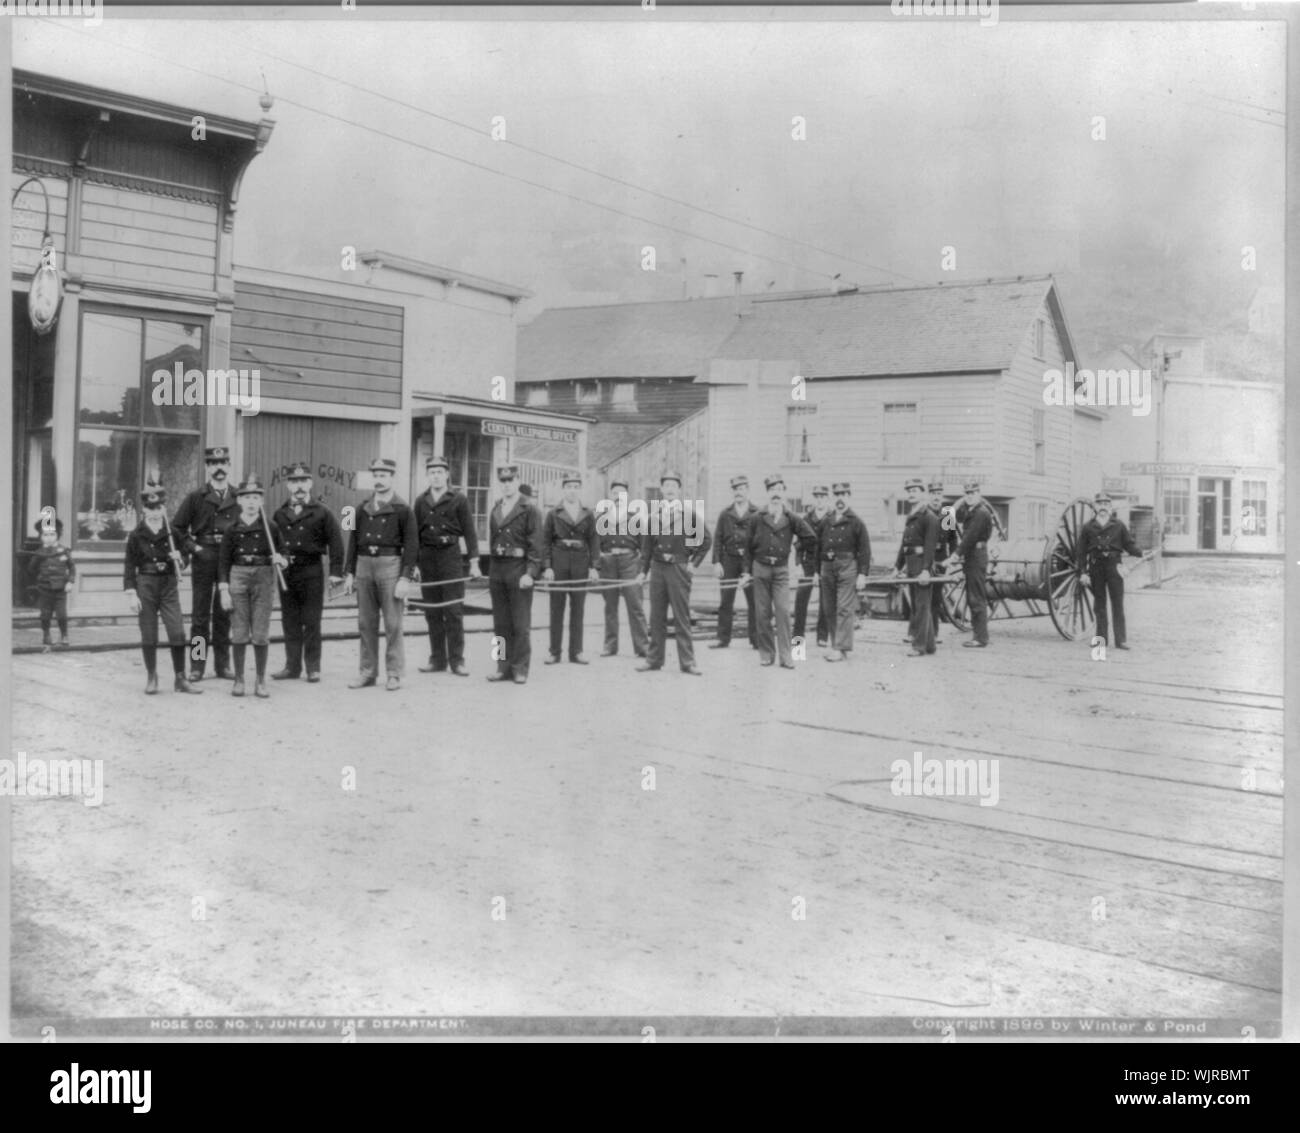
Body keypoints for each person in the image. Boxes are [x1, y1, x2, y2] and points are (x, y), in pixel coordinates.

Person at [342, 458, 418, 691]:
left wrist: (405, 577)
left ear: (392, 478)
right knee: (365, 622)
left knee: (393, 623)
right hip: (364, 565)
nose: (379, 479)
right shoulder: (360, 508)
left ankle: (394, 673)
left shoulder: (403, 509)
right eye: (375, 475)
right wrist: (349, 573)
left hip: (390, 566)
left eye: (384, 475)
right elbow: (352, 541)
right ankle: (367, 672)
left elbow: (412, 546)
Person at [270, 462, 345, 682]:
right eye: (294, 482)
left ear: (310, 483)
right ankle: (291, 667)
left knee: (312, 621)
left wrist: (335, 572)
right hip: (287, 573)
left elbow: (336, 542)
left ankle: (313, 667)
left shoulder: (323, 512)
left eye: (303, 481)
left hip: (312, 570)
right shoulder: (280, 514)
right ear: (288, 486)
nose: (299, 486)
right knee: (289, 620)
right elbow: (272, 544)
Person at [123, 484, 201, 695]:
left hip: (168, 584)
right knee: (149, 634)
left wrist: (182, 560)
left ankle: (181, 678)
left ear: (164, 509)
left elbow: (188, 552)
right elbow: (130, 565)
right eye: (151, 508)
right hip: (146, 584)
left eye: (159, 508)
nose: (155, 512)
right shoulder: (137, 535)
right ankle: (152, 677)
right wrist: (132, 594)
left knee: (177, 631)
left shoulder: (173, 531)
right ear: (144, 510)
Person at [173, 445, 241, 681]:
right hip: (204, 556)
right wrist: (194, 548)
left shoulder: (238, 496)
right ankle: (197, 666)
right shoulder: (196, 497)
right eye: (213, 464)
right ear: (207, 467)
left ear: (229, 466)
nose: (218, 468)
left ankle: (222, 666)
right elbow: (177, 528)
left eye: (223, 463)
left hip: (229, 559)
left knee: (225, 612)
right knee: (200, 616)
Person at [218, 475, 287, 698]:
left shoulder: (272, 527)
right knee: (238, 631)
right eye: (246, 497)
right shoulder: (231, 529)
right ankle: (238, 679)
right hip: (238, 576)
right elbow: (223, 562)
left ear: (261, 501)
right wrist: (223, 589)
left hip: (264, 577)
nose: (250, 501)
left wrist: (281, 559)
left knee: (260, 632)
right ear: (239, 501)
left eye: (255, 497)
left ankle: (260, 680)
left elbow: (284, 553)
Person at [637, 471, 712, 675]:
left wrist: (693, 564)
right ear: (661, 489)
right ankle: (654, 660)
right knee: (656, 617)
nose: (669, 489)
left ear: (679, 490)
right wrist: (643, 572)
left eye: (673, 485)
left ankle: (687, 662)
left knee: (682, 617)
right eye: (666, 485)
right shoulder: (654, 516)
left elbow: (706, 541)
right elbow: (646, 549)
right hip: (658, 569)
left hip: (679, 569)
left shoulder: (689, 515)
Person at [414, 455, 480, 678]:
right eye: (432, 472)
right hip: (427, 558)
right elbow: (415, 535)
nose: (436, 476)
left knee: (453, 611)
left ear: (447, 475)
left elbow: (470, 532)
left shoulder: (459, 499)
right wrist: (413, 564)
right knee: (432, 611)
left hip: (450, 557)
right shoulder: (420, 500)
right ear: (428, 475)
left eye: (439, 472)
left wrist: (474, 562)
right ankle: (437, 659)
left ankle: (457, 661)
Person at [740, 476, 816, 669]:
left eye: (780, 489)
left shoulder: (791, 518)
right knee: (762, 613)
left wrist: (796, 551)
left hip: (781, 570)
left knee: (782, 612)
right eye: (772, 489)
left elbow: (810, 538)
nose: (776, 493)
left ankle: (786, 656)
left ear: (784, 493)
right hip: (760, 569)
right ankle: (766, 654)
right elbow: (747, 547)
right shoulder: (757, 517)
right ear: (767, 493)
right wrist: (746, 572)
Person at [486, 465, 543, 685]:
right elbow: (493, 541)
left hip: (519, 569)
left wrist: (531, 572)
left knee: (520, 623)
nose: (506, 484)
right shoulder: (496, 507)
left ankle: (520, 668)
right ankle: (502, 666)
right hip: (498, 569)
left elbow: (536, 546)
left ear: (518, 480)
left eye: (510, 480)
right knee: (500, 624)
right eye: (503, 480)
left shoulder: (529, 508)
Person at [542, 472, 600, 665]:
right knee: (556, 608)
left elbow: (594, 540)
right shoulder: (553, 513)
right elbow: (545, 542)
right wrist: (547, 567)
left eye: (576, 487)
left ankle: (576, 652)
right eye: (569, 487)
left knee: (578, 609)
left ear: (579, 489)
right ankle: (554, 652)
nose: (572, 491)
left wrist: (594, 567)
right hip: (559, 561)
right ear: (563, 489)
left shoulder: (588, 513)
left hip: (580, 563)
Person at [1077, 492, 1144, 651]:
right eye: (1100, 504)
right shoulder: (1087, 527)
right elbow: (1081, 552)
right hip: (1096, 567)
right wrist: (1083, 572)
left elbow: (1129, 545)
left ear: (1111, 507)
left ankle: (1121, 640)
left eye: (1106, 504)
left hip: (1115, 567)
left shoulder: (1119, 525)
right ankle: (1101, 640)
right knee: (1099, 605)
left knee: (1117, 604)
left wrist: (1141, 553)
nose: (1103, 507)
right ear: (1095, 507)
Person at [818, 482, 871, 662]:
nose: (840, 498)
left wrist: (862, 574)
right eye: (837, 494)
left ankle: (840, 648)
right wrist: (816, 570)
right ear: (833, 498)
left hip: (848, 566)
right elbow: (818, 546)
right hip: (827, 566)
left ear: (849, 496)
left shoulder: (857, 522)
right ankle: (836, 645)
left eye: (844, 494)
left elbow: (864, 550)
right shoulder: (826, 521)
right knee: (829, 608)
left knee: (844, 608)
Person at [597, 478, 649, 658]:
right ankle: (610, 646)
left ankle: (642, 647)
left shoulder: (636, 518)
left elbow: (645, 547)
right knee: (610, 607)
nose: (618, 496)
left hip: (629, 562)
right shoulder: (602, 518)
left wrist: (642, 570)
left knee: (635, 605)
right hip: (609, 562)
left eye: (622, 493)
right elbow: (596, 544)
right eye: (615, 493)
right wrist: (598, 567)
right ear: (610, 496)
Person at [710, 475, 759, 649]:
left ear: (747, 490)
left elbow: (759, 540)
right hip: (729, 560)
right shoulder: (725, 513)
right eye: (736, 489)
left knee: (754, 601)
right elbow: (718, 538)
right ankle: (723, 638)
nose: (738, 492)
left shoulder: (757, 512)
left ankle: (756, 639)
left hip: (749, 562)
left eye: (742, 489)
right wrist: (716, 562)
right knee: (725, 601)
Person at [894, 478, 940, 657]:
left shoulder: (939, 513)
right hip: (913, 563)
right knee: (919, 606)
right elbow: (905, 543)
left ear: (924, 493)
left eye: (915, 490)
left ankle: (920, 646)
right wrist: (898, 566)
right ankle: (929, 645)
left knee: (924, 606)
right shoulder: (912, 514)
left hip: (925, 563)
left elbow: (936, 543)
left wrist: (928, 568)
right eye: (909, 490)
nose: (912, 493)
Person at [954, 479, 993, 648]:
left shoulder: (981, 513)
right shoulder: (969, 510)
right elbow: (949, 519)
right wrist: (952, 508)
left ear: (979, 494)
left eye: (973, 493)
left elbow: (969, 537)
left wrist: (955, 554)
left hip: (976, 556)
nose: (969, 496)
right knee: (973, 596)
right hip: (972, 556)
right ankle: (978, 635)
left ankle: (981, 638)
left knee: (976, 597)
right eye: (967, 494)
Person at [792, 484, 831, 648]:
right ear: (813, 499)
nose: (819, 500)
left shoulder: (832, 518)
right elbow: (798, 544)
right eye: (817, 497)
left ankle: (822, 636)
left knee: (826, 602)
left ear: (827, 498)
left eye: (822, 497)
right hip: (808, 564)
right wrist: (798, 564)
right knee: (801, 602)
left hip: (826, 564)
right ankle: (798, 641)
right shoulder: (806, 519)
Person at [29, 516, 75, 649]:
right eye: (45, 535)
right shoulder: (38, 553)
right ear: (41, 536)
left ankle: (64, 634)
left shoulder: (64, 551)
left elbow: (72, 568)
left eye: (52, 534)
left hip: (61, 589)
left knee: (62, 615)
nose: (49, 537)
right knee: (45, 615)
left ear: (58, 535)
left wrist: (70, 582)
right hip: (44, 589)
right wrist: (39, 578)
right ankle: (46, 634)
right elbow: (31, 569)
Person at [928, 479, 959, 644]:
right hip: (926, 559)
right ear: (929, 495)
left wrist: (951, 558)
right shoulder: (924, 512)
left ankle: (934, 634)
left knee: (936, 597)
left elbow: (953, 539)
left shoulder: (947, 513)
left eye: (938, 494)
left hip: (940, 559)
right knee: (922, 596)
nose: (936, 497)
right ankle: (919, 633)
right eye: (933, 494)